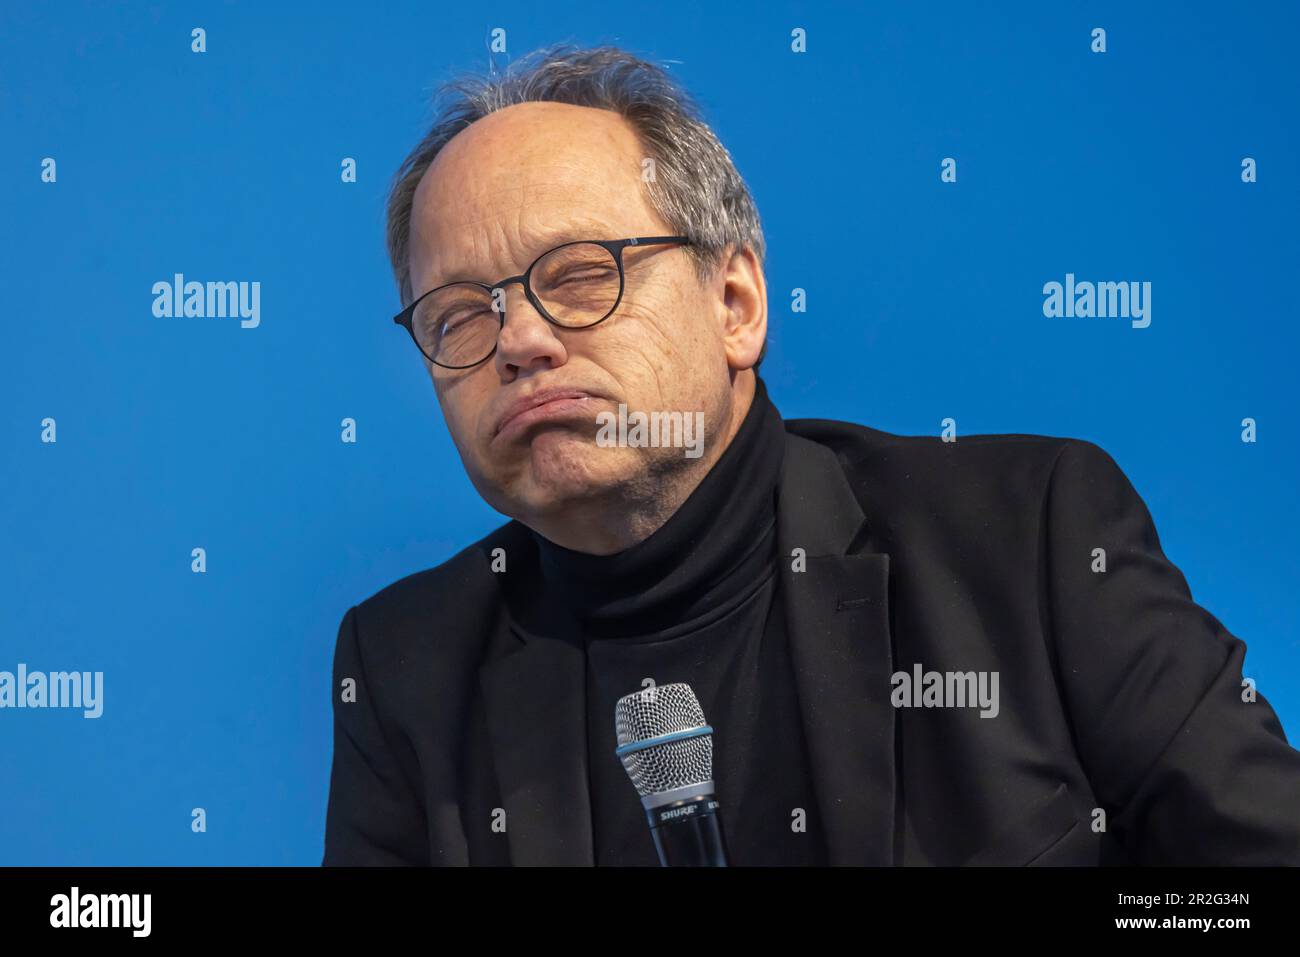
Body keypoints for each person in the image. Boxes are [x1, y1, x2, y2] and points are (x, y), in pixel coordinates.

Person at [322, 43, 1300, 866]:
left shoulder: (1027, 539)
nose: (521, 341)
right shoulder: (408, 666)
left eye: (579, 276)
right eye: (460, 315)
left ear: (735, 303)